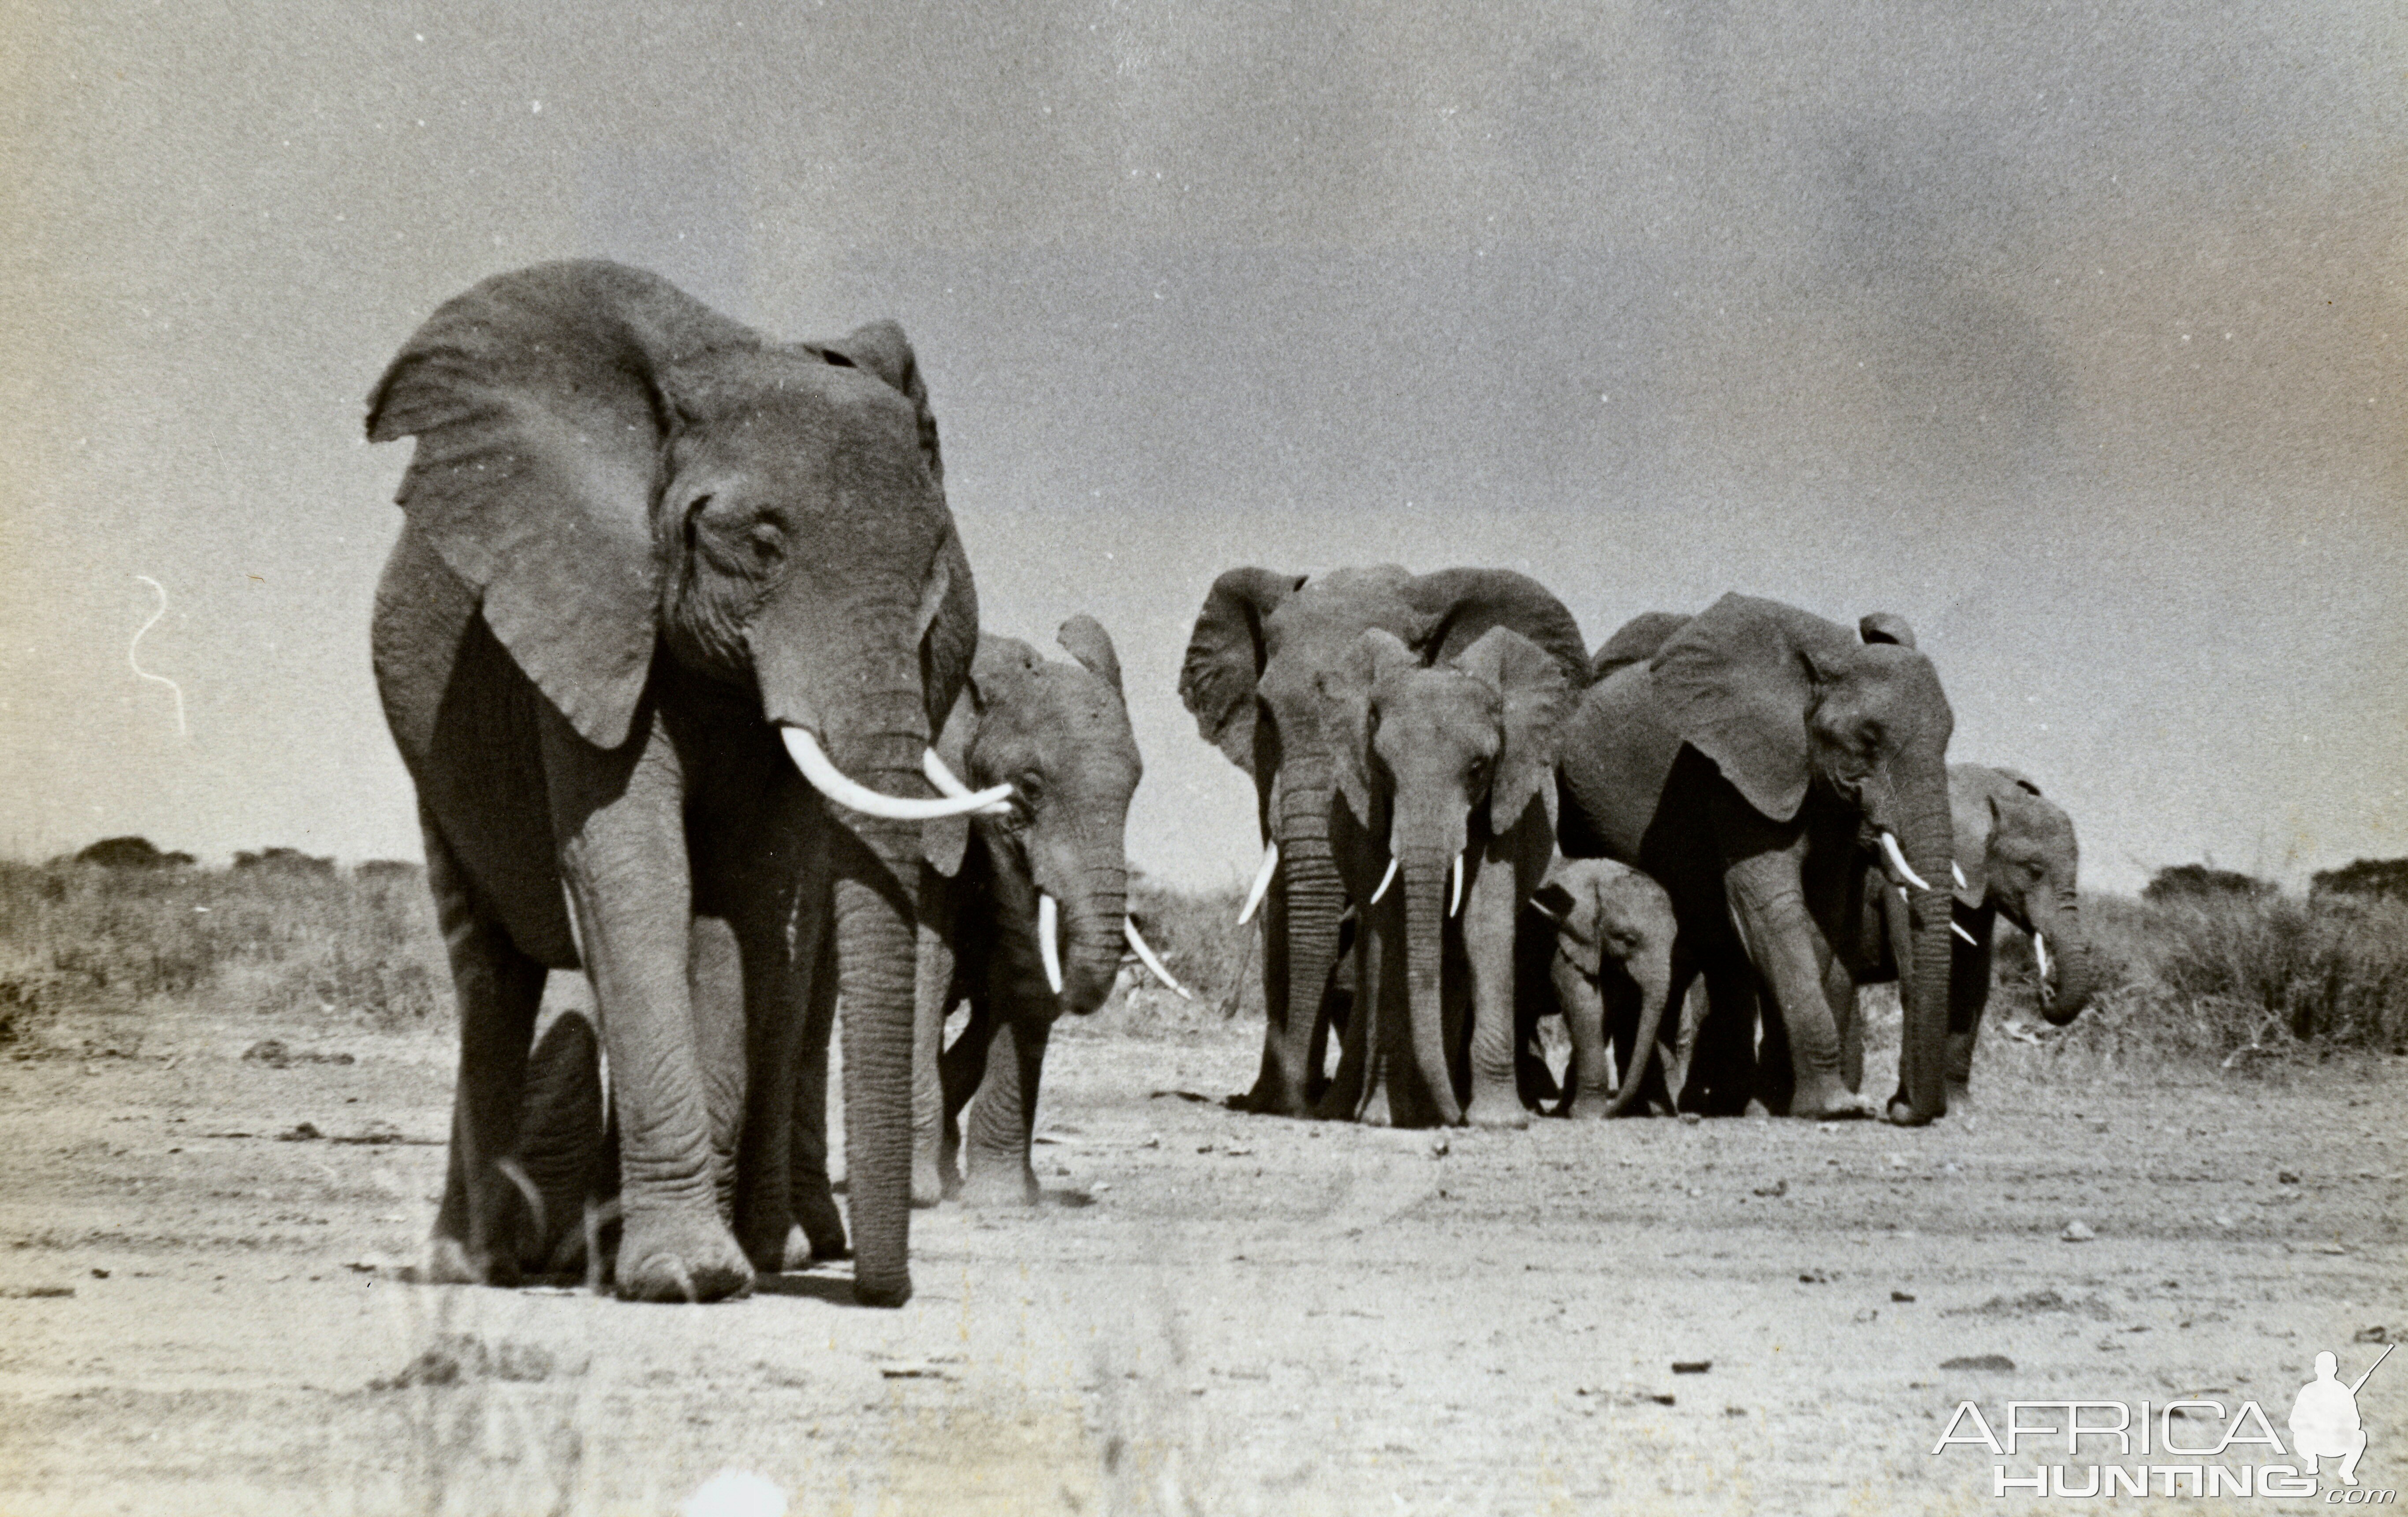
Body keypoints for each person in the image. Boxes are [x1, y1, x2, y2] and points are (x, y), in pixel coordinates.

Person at [2288, 1350, 2369, 1487]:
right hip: (2313, 1443)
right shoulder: (2308, 1390)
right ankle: (2312, 1461)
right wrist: (2314, 1423)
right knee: (2299, 1436)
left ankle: (2346, 1471)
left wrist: (2338, 1421)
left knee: (2360, 1436)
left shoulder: (2343, 1391)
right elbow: (2294, 1423)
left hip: (2335, 1443)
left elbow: (2356, 1423)